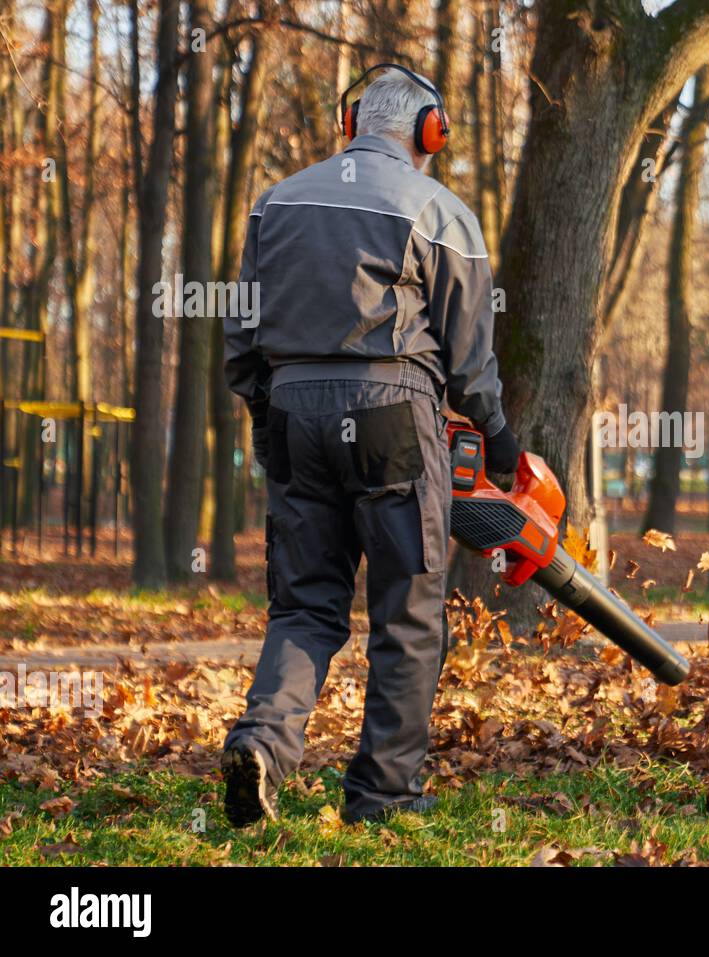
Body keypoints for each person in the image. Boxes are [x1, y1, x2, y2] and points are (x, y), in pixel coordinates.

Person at [220, 66, 519, 825]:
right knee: (407, 611)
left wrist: (268, 420)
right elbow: (470, 361)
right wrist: (500, 440)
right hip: (391, 412)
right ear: (429, 131)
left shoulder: (274, 202)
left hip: (292, 410)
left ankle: (262, 742)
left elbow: (241, 339)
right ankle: (383, 795)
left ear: (352, 120)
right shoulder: (439, 211)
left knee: (304, 605)